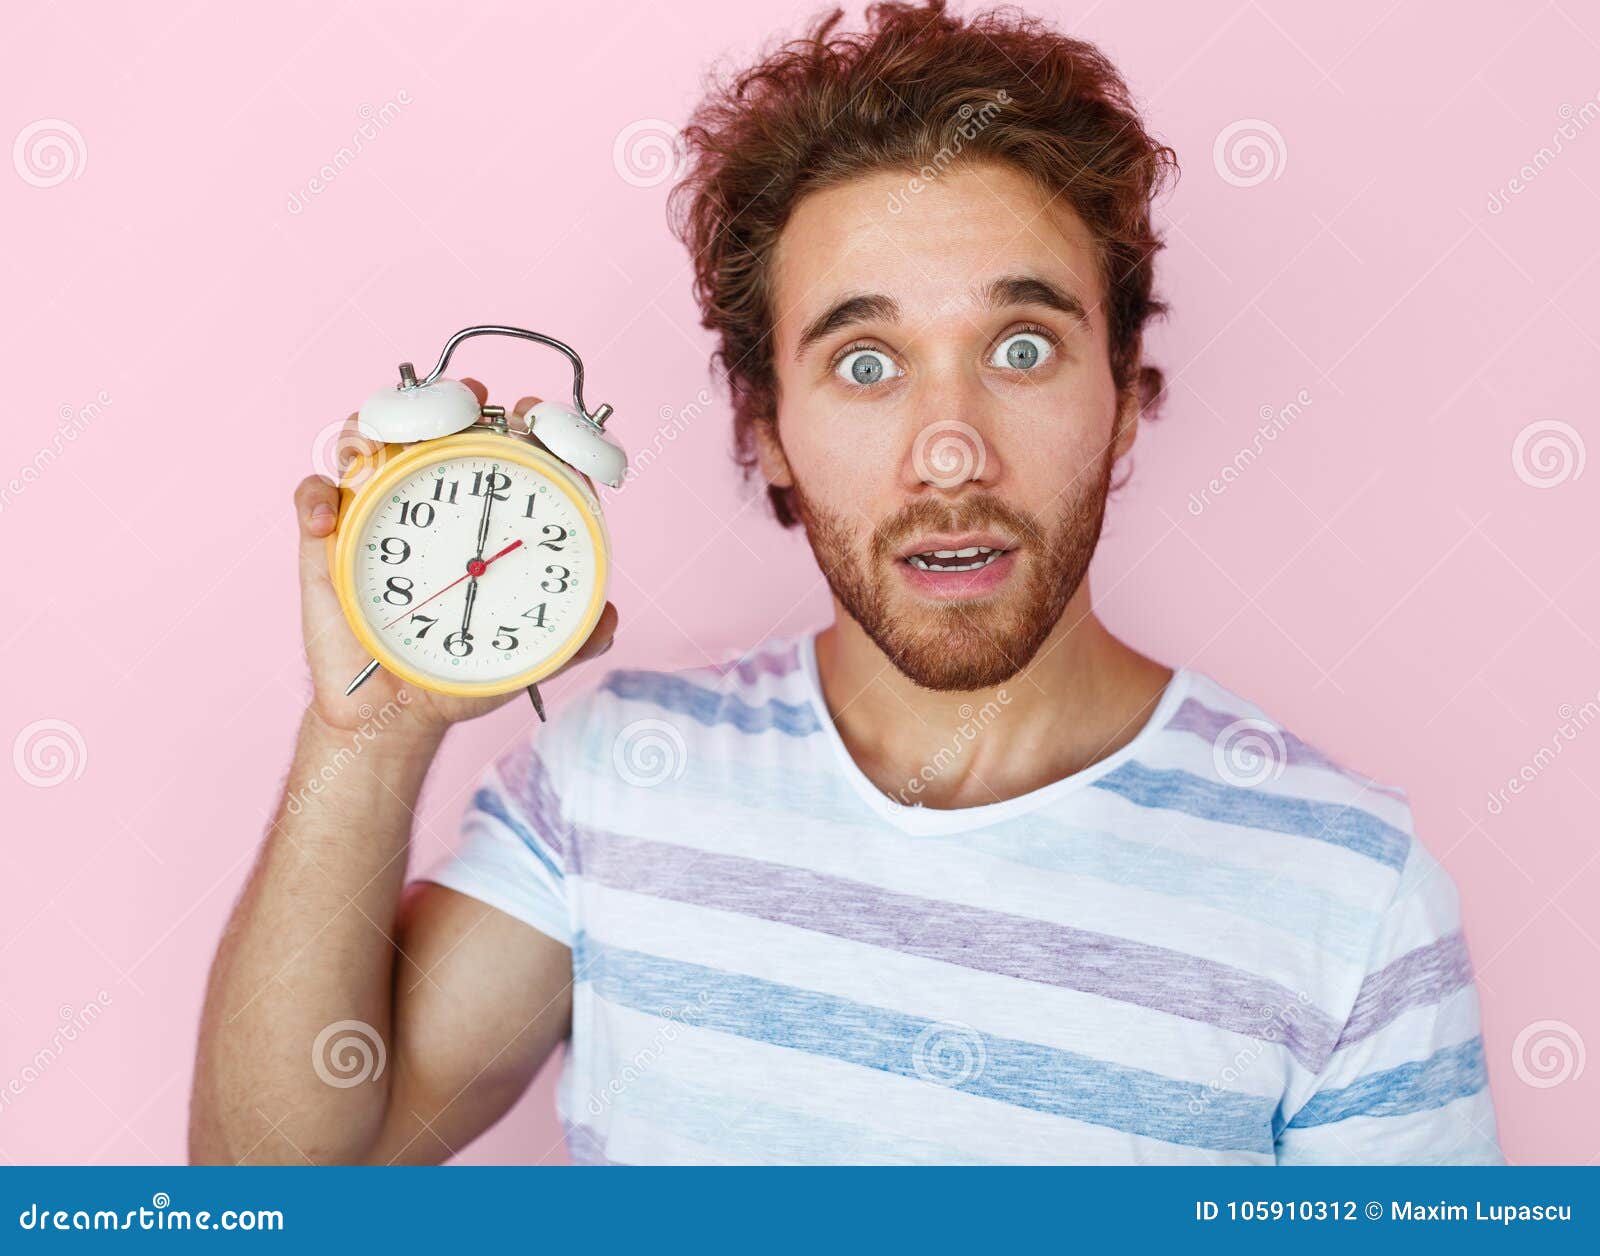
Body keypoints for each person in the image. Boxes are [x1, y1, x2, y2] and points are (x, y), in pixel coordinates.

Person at [190, 0, 1503, 1165]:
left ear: (1123, 399)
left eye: (1026, 347)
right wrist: (365, 736)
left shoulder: (1352, 889)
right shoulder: (609, 785)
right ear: (764, 422)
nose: (949, 450)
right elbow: (277, 1193)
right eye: (865, 363)